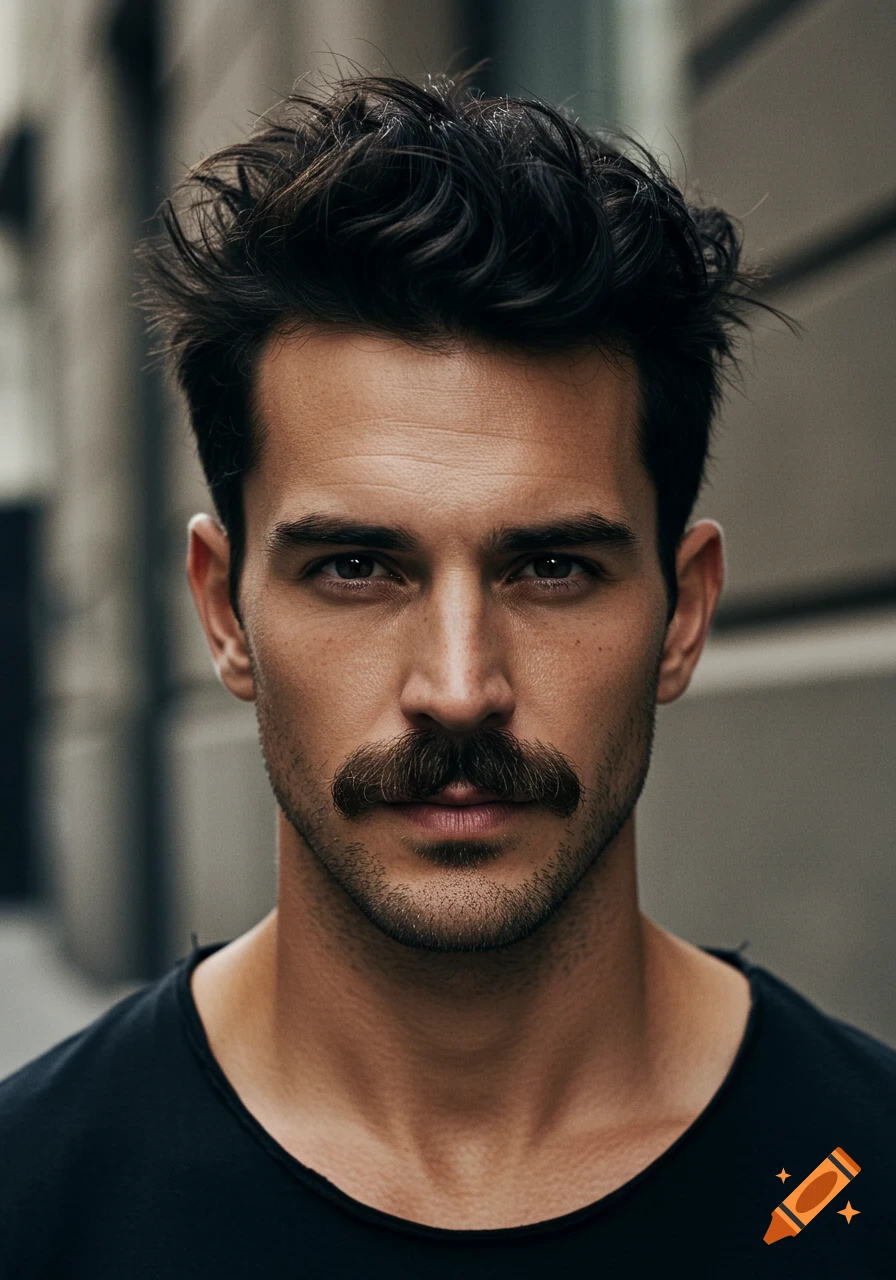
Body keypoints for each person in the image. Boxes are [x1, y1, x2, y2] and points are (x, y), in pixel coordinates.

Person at [1, 73, 893, 1278]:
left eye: (553, 567)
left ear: (681, 613)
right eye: (358, 566)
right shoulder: (34, 1203)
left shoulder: (861, 1174)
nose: (460, 687)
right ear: (224, 611)